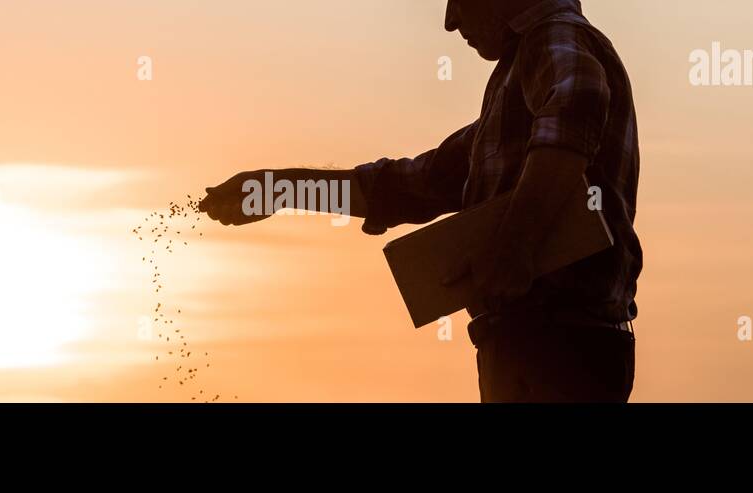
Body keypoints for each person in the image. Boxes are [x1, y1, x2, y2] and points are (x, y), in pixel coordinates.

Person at [199, 0, 641, 403]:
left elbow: (579, 100)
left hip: (562, 342)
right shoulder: (511, 93)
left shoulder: (554, 36)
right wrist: (279, 189)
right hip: (526, 342)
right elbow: (411, 184)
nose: (451, 22)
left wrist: (516, 246)